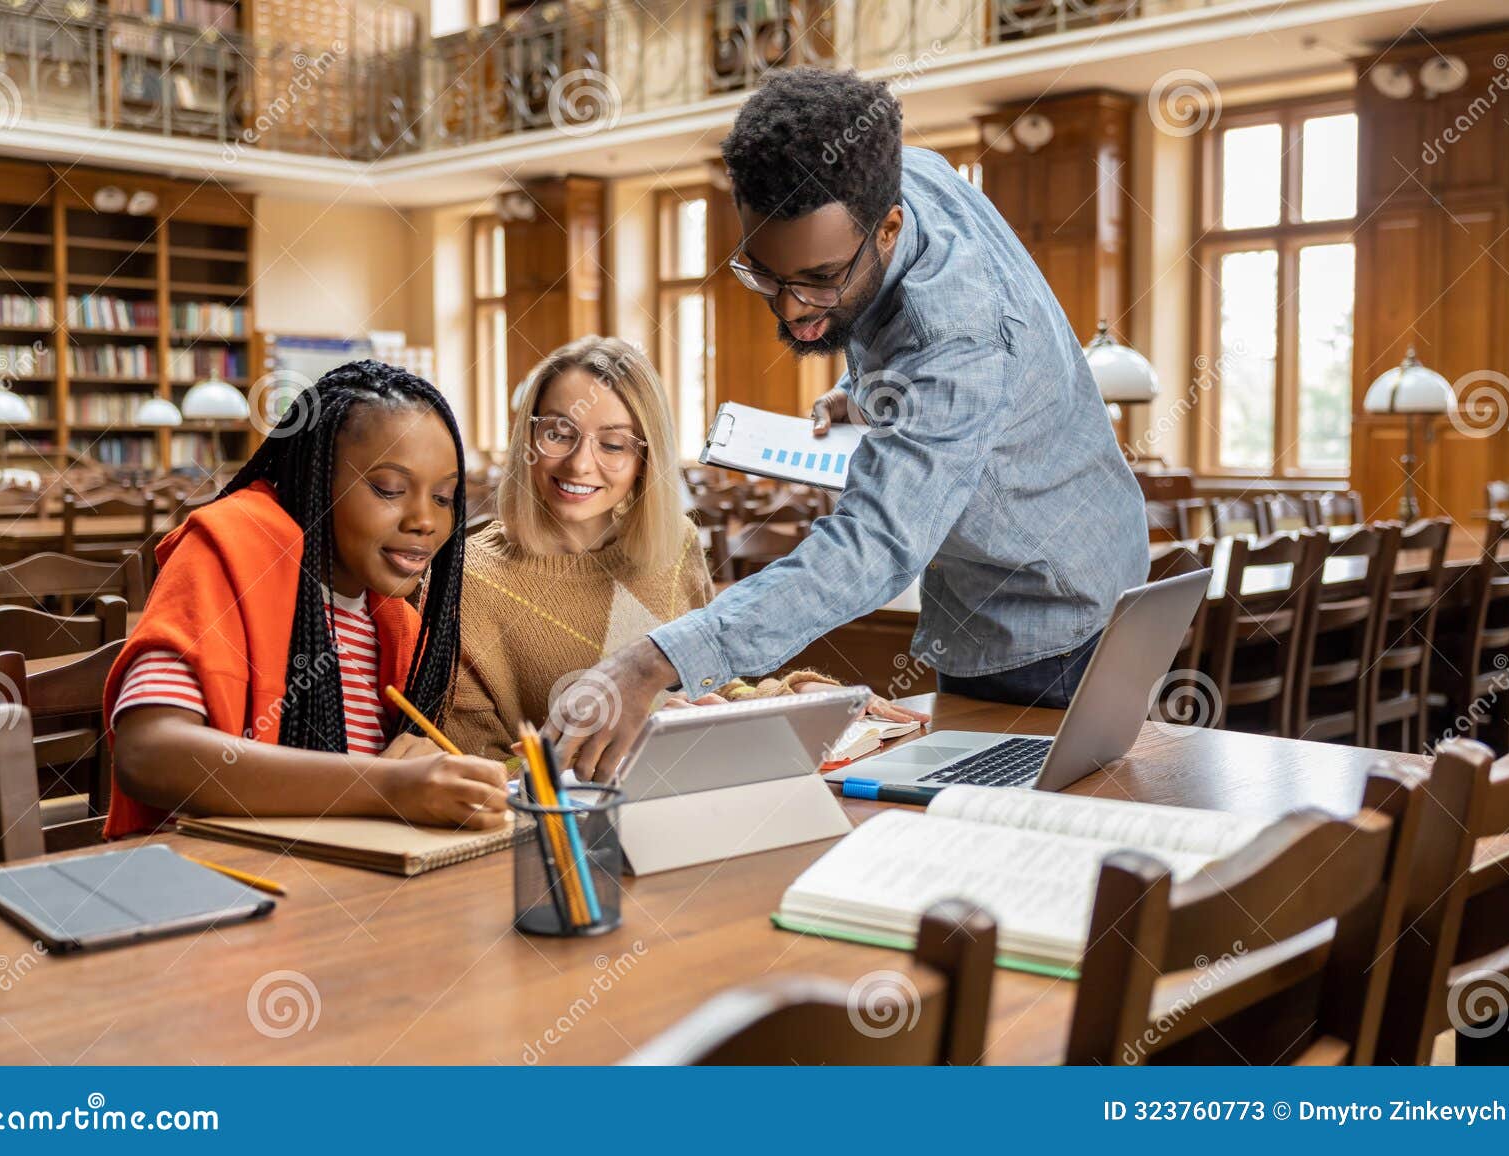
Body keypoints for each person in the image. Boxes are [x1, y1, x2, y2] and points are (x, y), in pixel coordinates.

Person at [548, 68, 1146, 780]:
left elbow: (875, 546)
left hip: (1049, 629)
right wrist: (868, 387)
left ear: (888, 227)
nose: (793, 309)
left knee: (1006, 844)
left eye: (822, 279)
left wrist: (656, 660)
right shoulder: (902, 174)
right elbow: (899, 341)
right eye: (768, 274)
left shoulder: (958, 341)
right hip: (1024, 588)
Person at [443, 335, 922, 762]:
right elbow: (470, 767)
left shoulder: (676, 547)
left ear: (643, 459)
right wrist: (624, 739)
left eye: (612, 445)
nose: (579, 464)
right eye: (557, 433)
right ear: (527, 436)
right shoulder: (469, 580)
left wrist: (795, 695)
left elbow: (709, 688)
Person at [103, 360, 508, 837]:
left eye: (444, 498)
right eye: (390, 489)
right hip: (213, 883)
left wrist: (414, 771)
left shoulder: (396, 621)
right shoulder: (232, 548)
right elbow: (147, 752)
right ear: (318, 477)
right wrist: (387, 786)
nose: (424, 519)